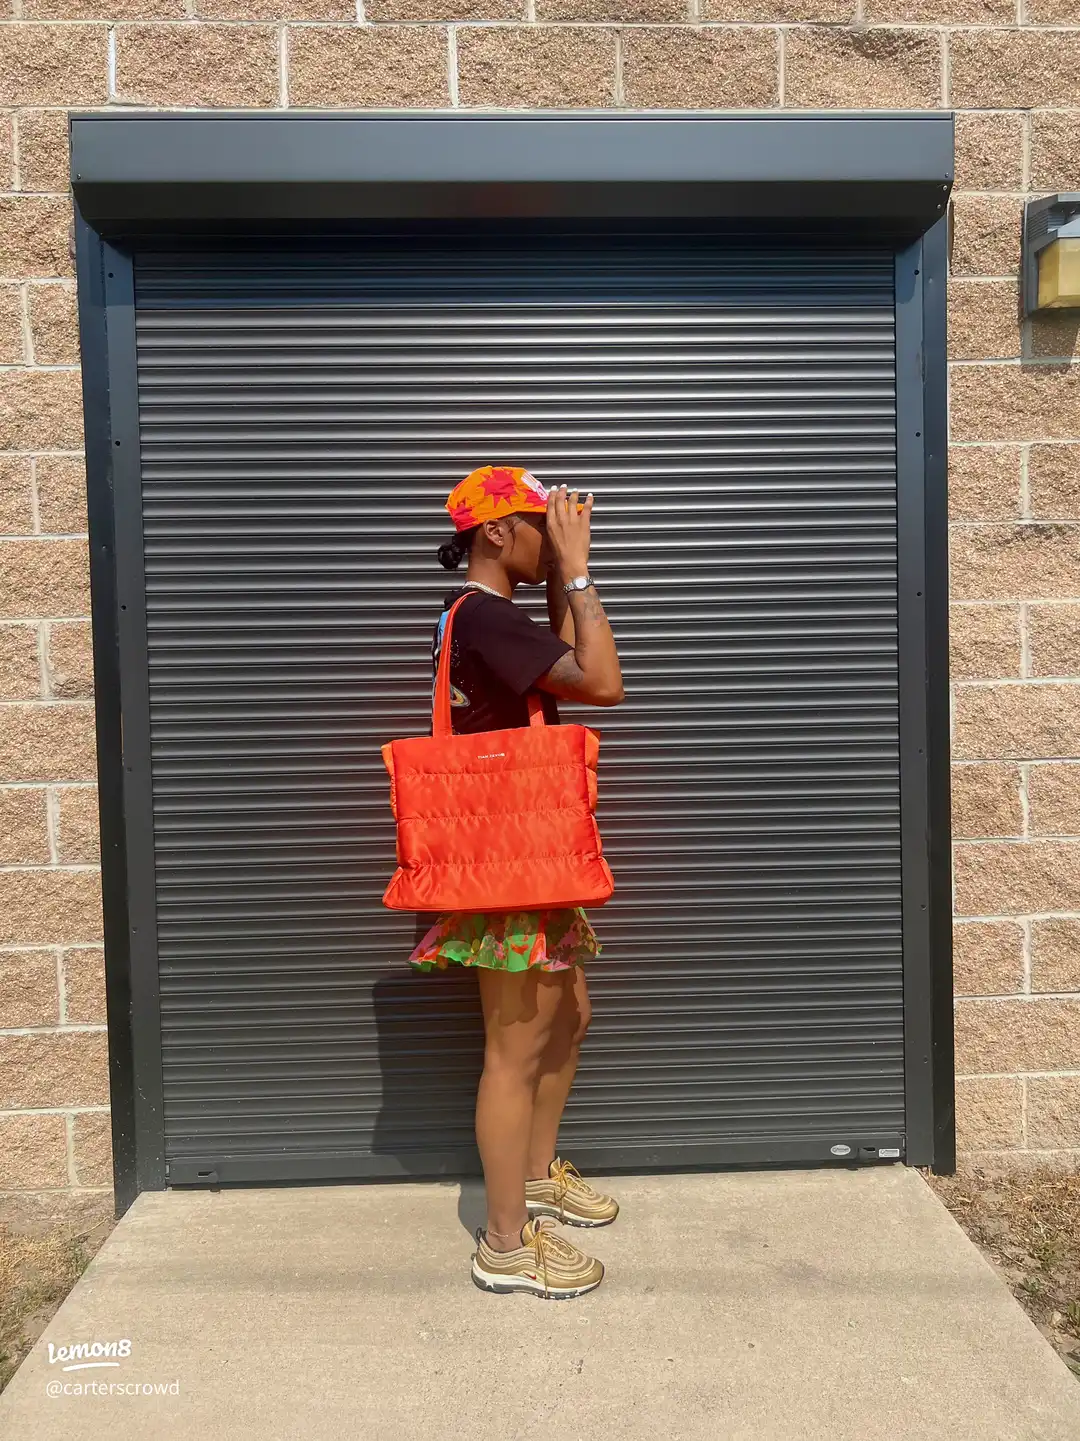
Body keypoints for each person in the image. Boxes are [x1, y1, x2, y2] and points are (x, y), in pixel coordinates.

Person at [407, 464, 625, 1300]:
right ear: (495, 532)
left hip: (529, 852)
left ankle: (534, 1177)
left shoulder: (491, 617)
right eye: (540, 522)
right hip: (508, 865)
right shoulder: (485, 618)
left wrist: (562, 574)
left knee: (567, 1013)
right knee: (515, 1046)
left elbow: (565, 657)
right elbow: (601, 681)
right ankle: (503, 1242)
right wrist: (576, 569)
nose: (556, 530)